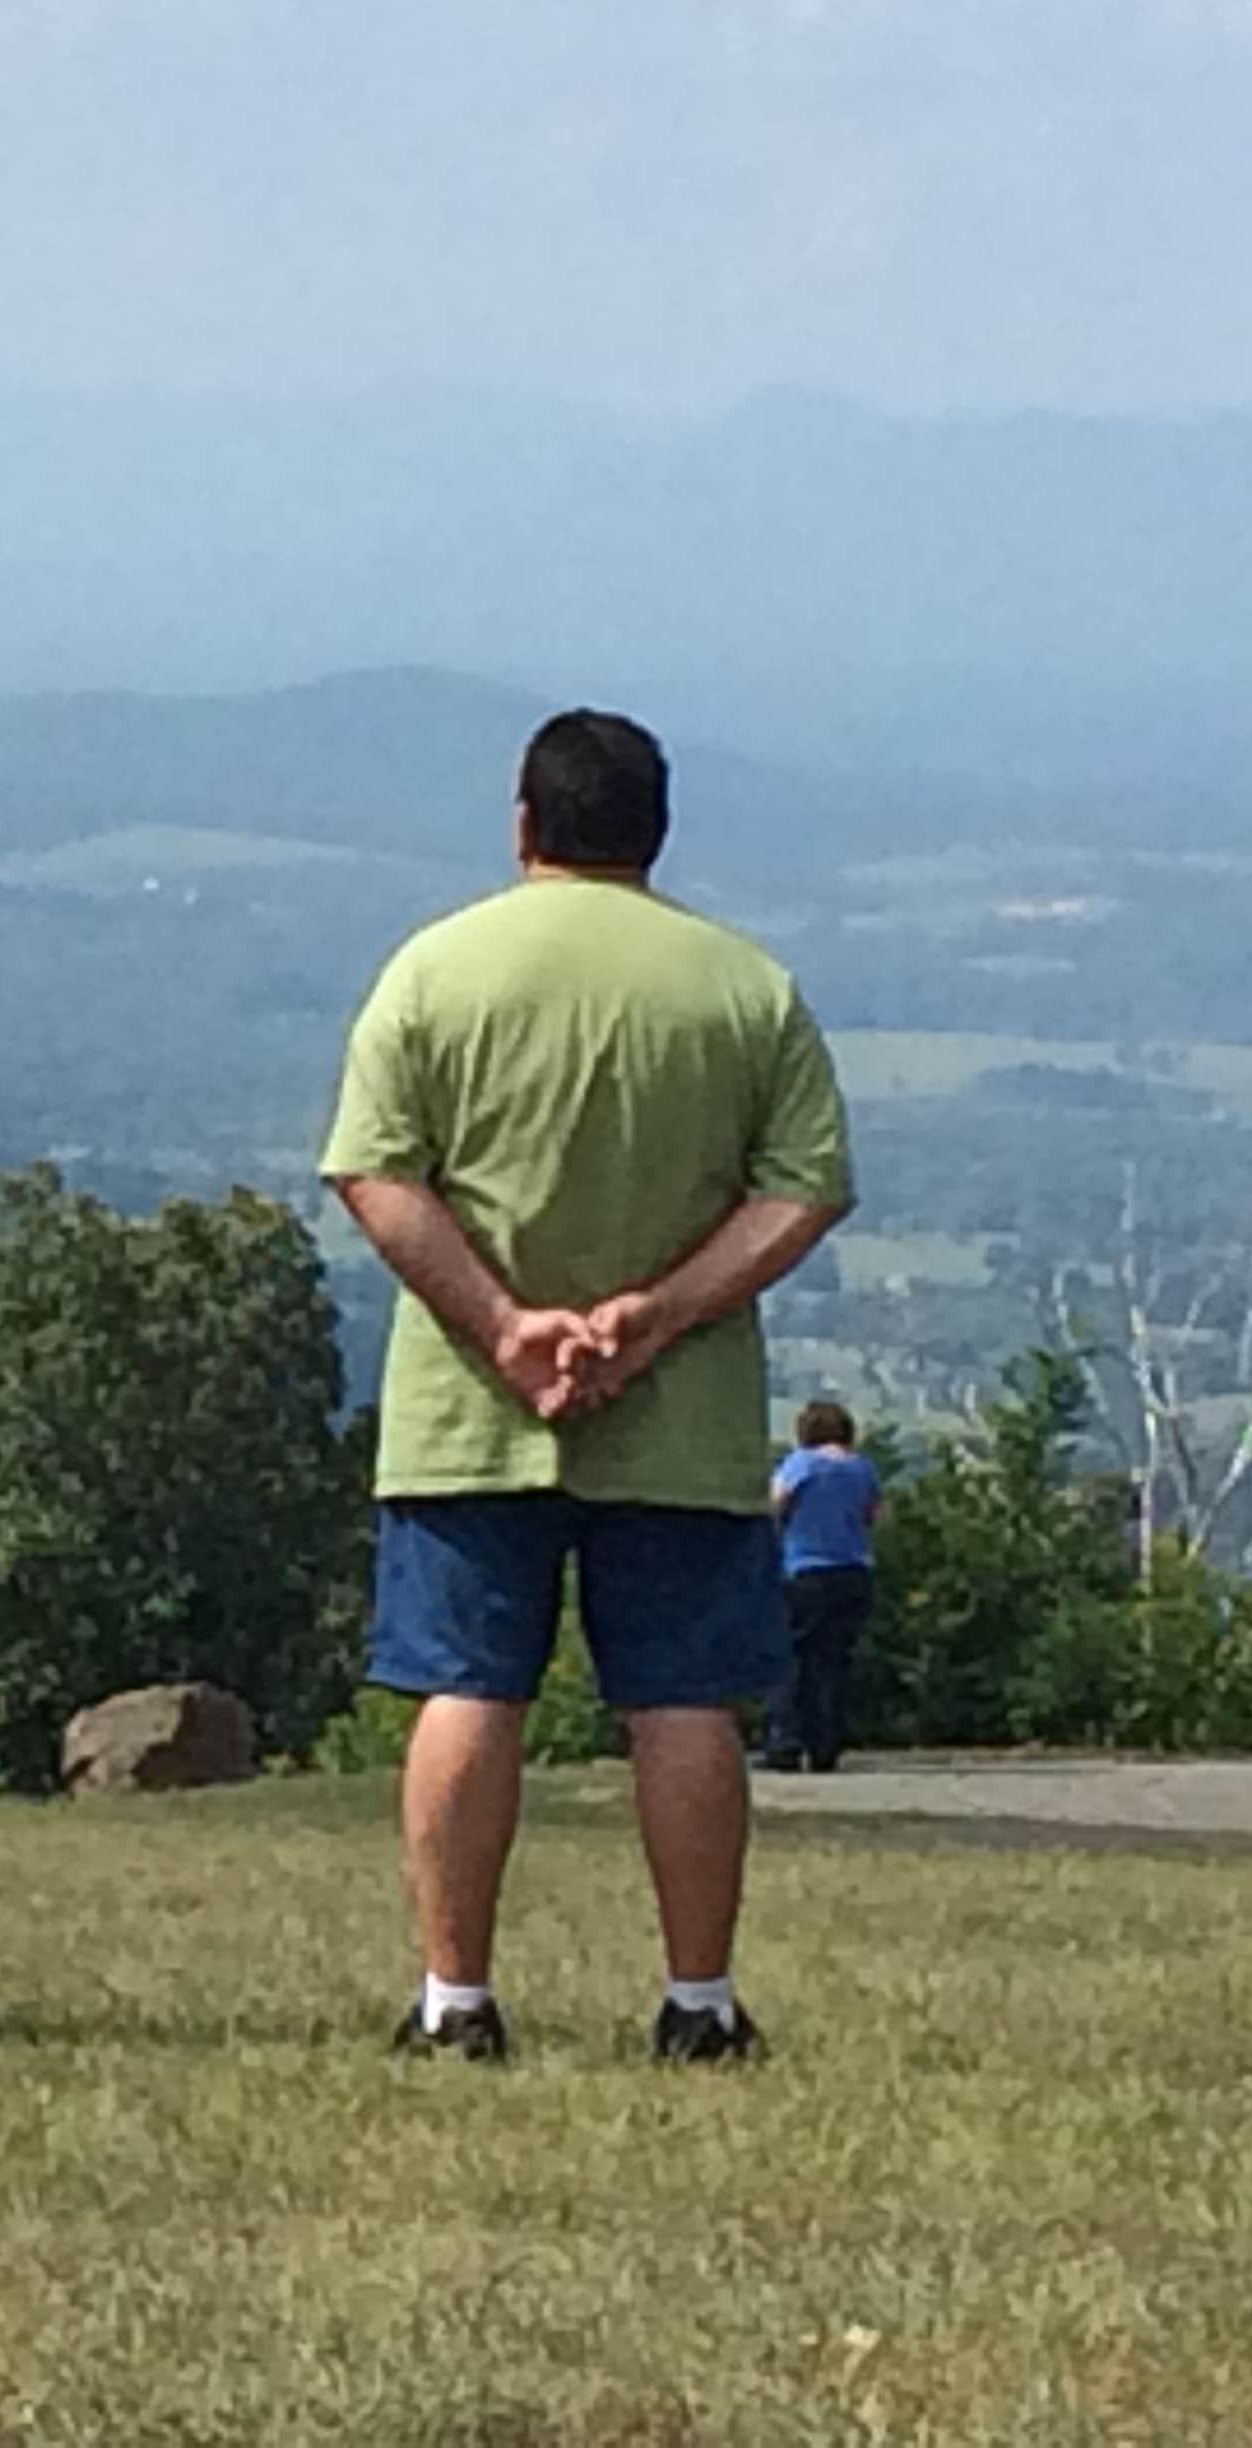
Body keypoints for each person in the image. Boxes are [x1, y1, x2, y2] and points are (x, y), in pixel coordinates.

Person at [321, 709, 854, 2068]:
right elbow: (806, 1188)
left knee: (468, 1690)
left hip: (468, 1409)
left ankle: (455, 2000)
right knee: (683, 1703)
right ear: (656, 830)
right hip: (682, 1412)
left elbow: (374, 1171)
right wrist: (659, 1316)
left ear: (525, 822)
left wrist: (505, 1326)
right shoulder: (745, 989)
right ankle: (698, 2002)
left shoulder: (434, 970)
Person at [765, 1401, 881, 1775]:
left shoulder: (801, 1464)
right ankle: (826, 1745)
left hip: (805, 1569)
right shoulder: (862, 1468)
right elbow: (872, 1514)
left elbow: (775, 1504)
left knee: (791, 1656)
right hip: (853, 1571)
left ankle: (785, 1743)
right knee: (833, 1660)